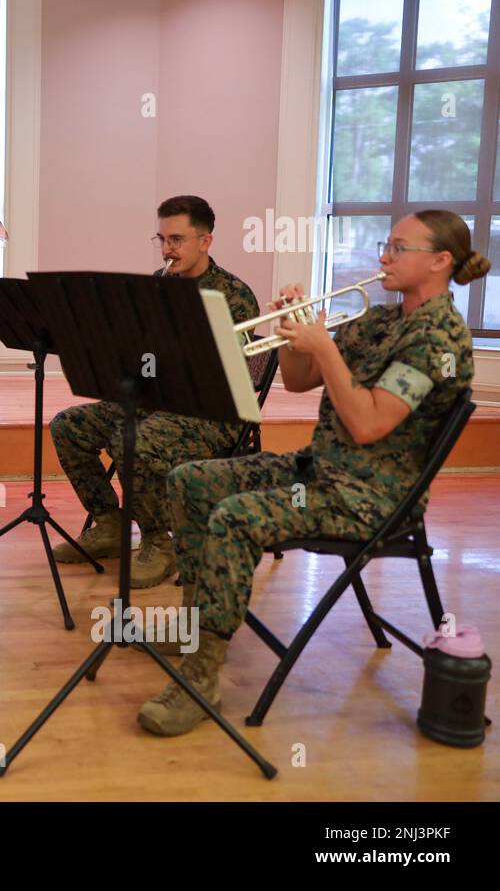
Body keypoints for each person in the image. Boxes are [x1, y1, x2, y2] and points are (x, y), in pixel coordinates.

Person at [138, 209, 488, 736]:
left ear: (440, 261)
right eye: (384, 244)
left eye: (399, 248)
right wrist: (295, 328)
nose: (383, 257)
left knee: (235, 517)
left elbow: (369, 423)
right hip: (320, 471)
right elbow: (301, 380)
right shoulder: (381, 318)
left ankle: (201, 674)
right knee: (191, 479)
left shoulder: (438, 340)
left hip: (368, 497)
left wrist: (325, 348)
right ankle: (194, 627)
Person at [50, 195, 259, 589]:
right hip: (156, 400)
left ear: (205, 241)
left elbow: (232, 378)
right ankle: (110, 525)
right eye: (161, 239)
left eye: (176, 240)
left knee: (134, 438)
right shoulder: (158, 285)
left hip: (212, 412)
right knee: (68, 425)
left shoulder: (233, 295)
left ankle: (158, 542)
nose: (166, 249)